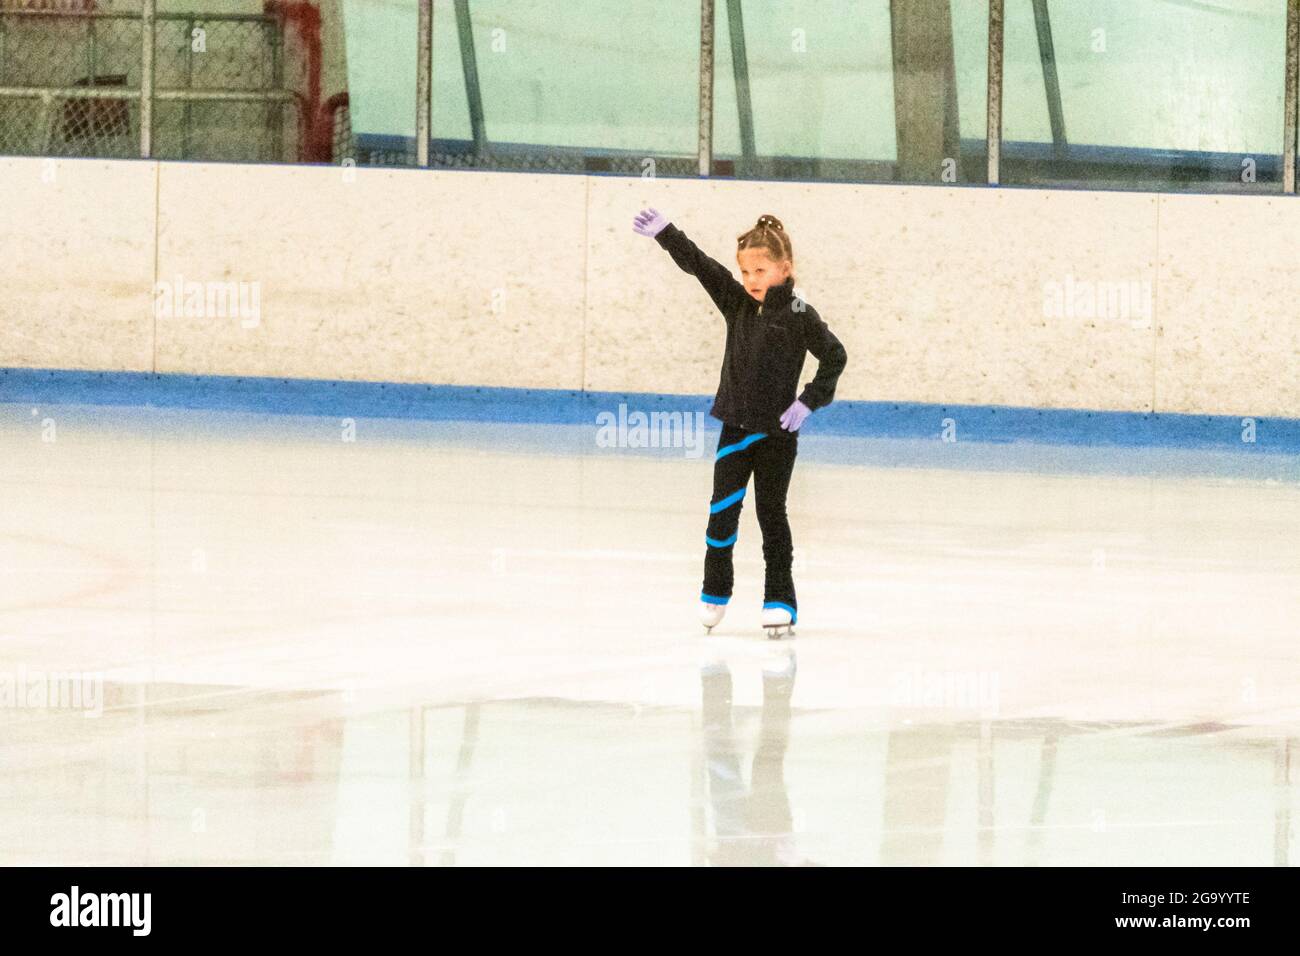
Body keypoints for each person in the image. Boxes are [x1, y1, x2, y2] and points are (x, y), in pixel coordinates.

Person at [632, 208, 847, 635]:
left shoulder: (802, 314)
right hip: (735, 427)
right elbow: (702, 267)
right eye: (745, 270)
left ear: (785, 270)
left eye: (760, 270)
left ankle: (780, 600)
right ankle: (714, 593)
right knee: (722, 512)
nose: (750, 279)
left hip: (778, 436)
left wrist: (807, 402)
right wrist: (666, 234)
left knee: (772, 516)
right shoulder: (737, 303)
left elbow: (835, 356)